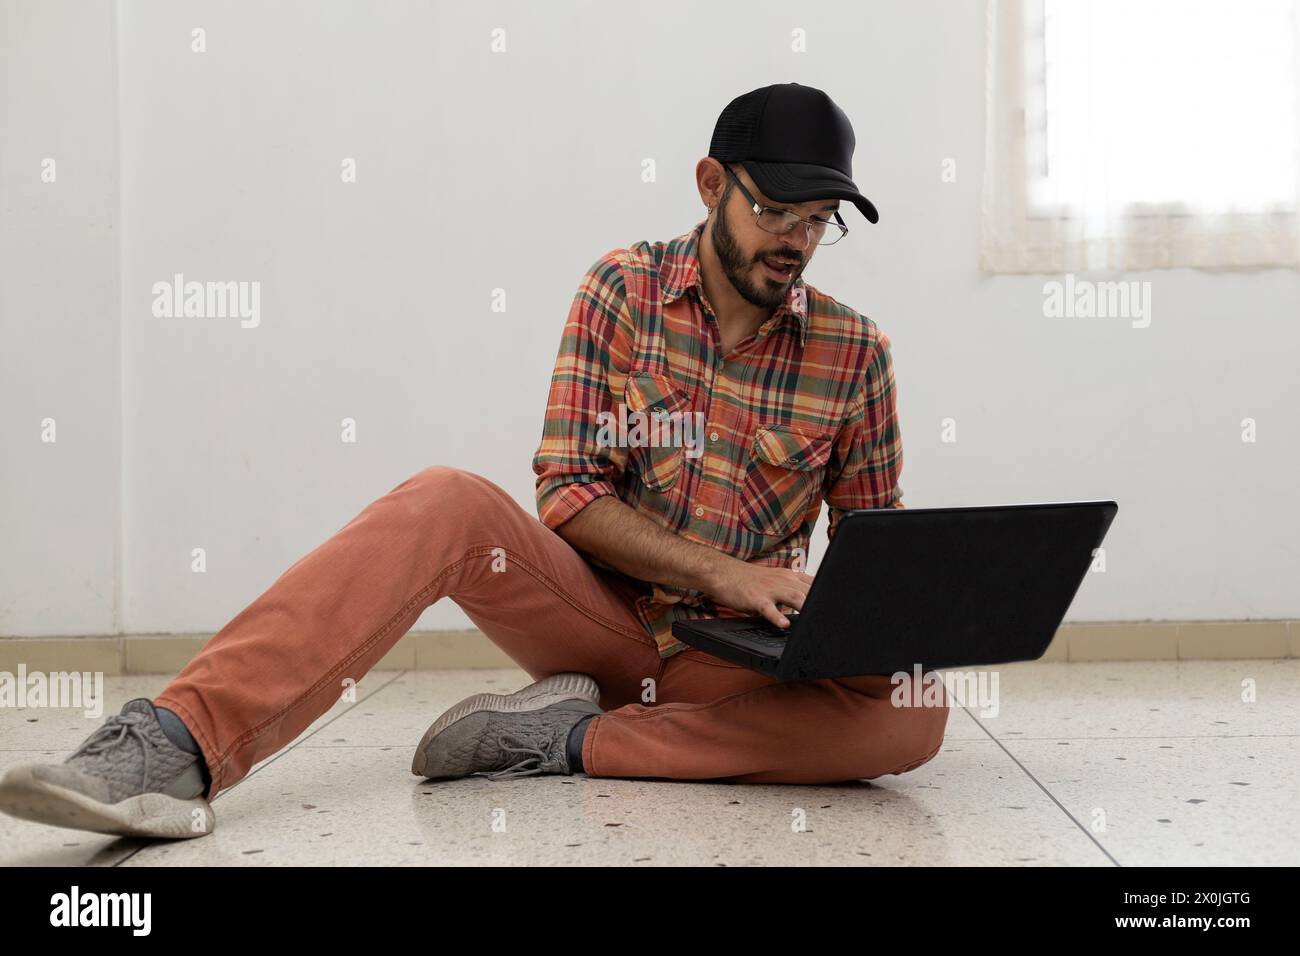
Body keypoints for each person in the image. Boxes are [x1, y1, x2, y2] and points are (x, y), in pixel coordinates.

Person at [0, 82, 948, 840]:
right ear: (711, 185)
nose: (797, 240)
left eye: (820, 219)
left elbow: (878, 553)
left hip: (726, 660)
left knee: (919, 711)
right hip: (600, 621)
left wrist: (888, 607)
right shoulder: (620, 290)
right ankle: (171, 744)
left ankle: (569, 739)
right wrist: (722, 571)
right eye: (778, 209)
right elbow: (568, 496)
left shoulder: (856, 352)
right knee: (446, 500)